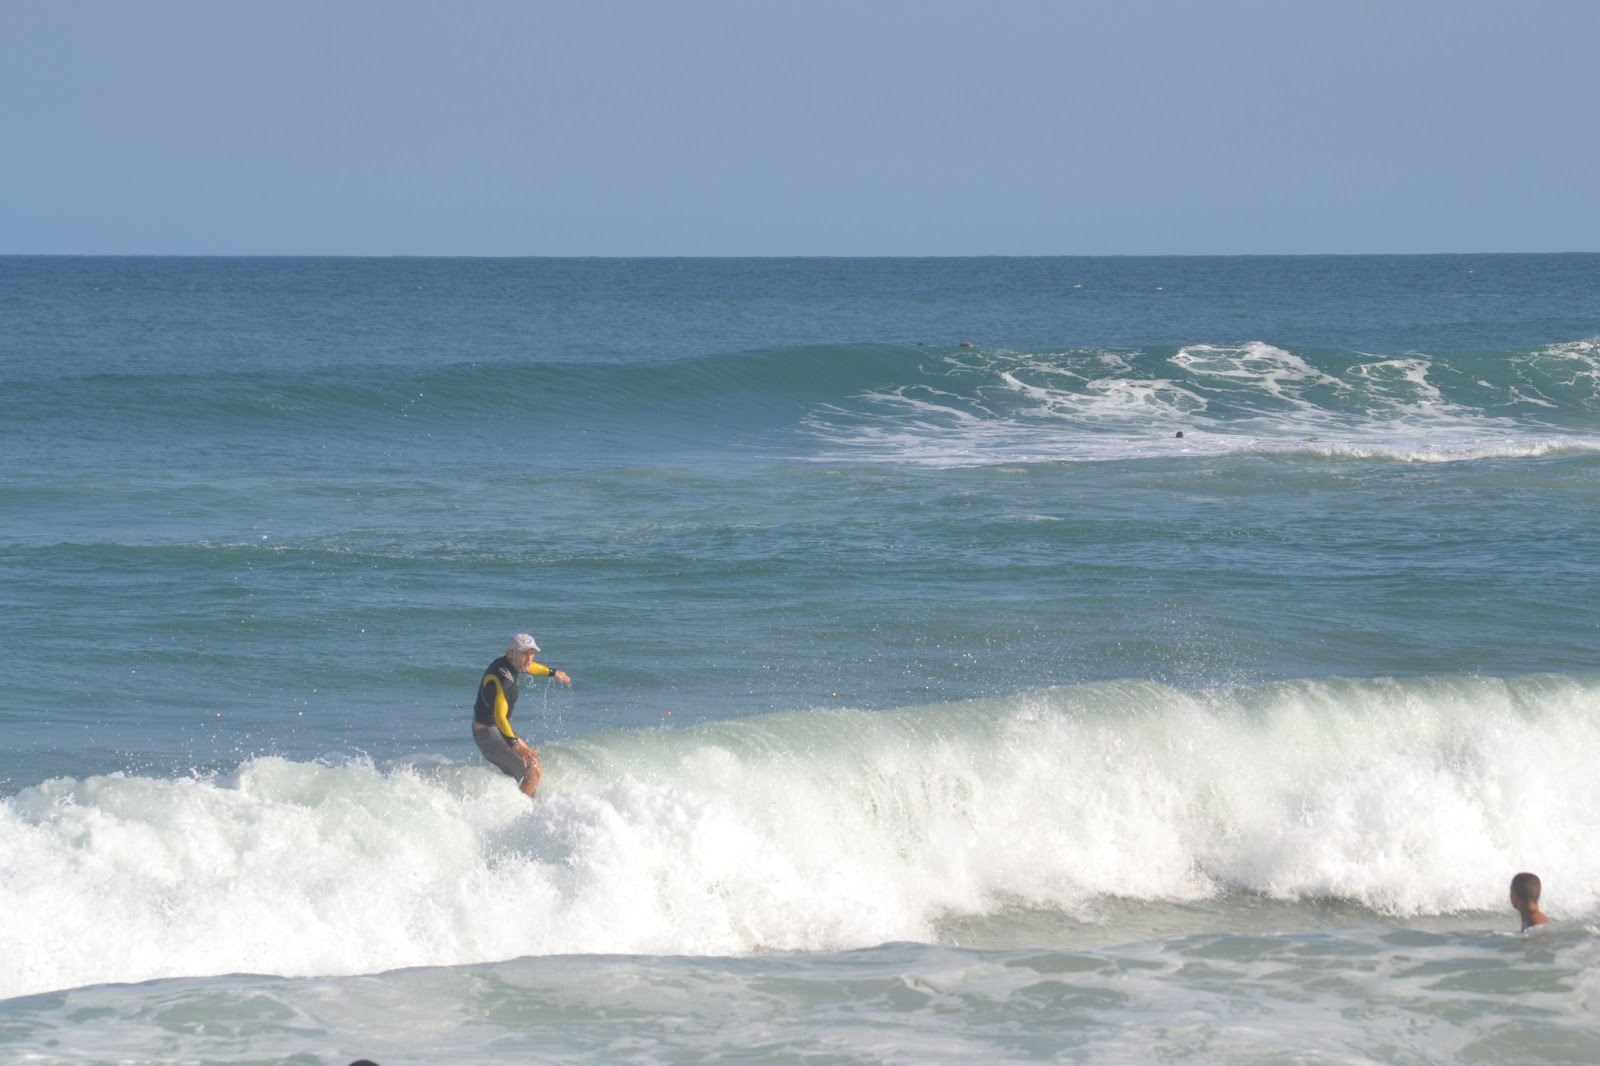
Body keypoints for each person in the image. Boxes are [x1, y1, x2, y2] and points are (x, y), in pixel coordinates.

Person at [472, 633, 570, 797]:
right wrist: (514, 744)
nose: (529, 658)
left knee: (535, 763)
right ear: (511, 652)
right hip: (487, 733)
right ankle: (524, 815)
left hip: (497, 729)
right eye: (525, 653)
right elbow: (499, 716)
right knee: (533, 771)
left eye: (532, 653)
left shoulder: (510, 664)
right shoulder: (503, 677)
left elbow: (530, 667)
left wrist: (553, 673)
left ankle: (517, 799)